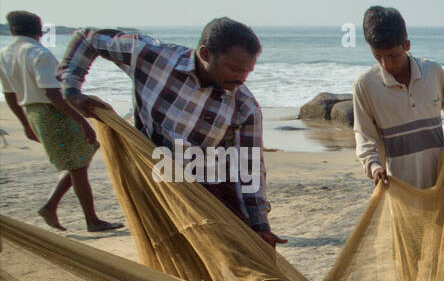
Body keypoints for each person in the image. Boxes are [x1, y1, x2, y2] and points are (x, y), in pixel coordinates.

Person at [58, 18, 284, 246]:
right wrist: (72, 90)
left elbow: (249, 168)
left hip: (202, 190)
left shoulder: (244, 106)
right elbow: (87, 39)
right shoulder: (151, 56)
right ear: (205, 54)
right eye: (235, 68)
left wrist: (259, 225)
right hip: (150, 180)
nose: (241, 78)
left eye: (248, 71)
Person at [1, 11, 119, 232]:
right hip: (55, 113)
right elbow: (54, 95)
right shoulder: (39, 53)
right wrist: (83, 121)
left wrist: (25, 123)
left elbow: (9, 94)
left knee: (81, 158)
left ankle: (51, 206)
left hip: (34, 112)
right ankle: (91, 220)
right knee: (78, 167)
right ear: (39, 30)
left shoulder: (5, 54)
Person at [353, 6, 444, 191]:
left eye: (392, 56)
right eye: (378, 56)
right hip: (399, 189)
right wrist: (373, 166)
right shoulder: (365, 86)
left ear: (407, 45)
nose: (386, 64)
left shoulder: (432, 72)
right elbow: (364, 135)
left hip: (441, 181)